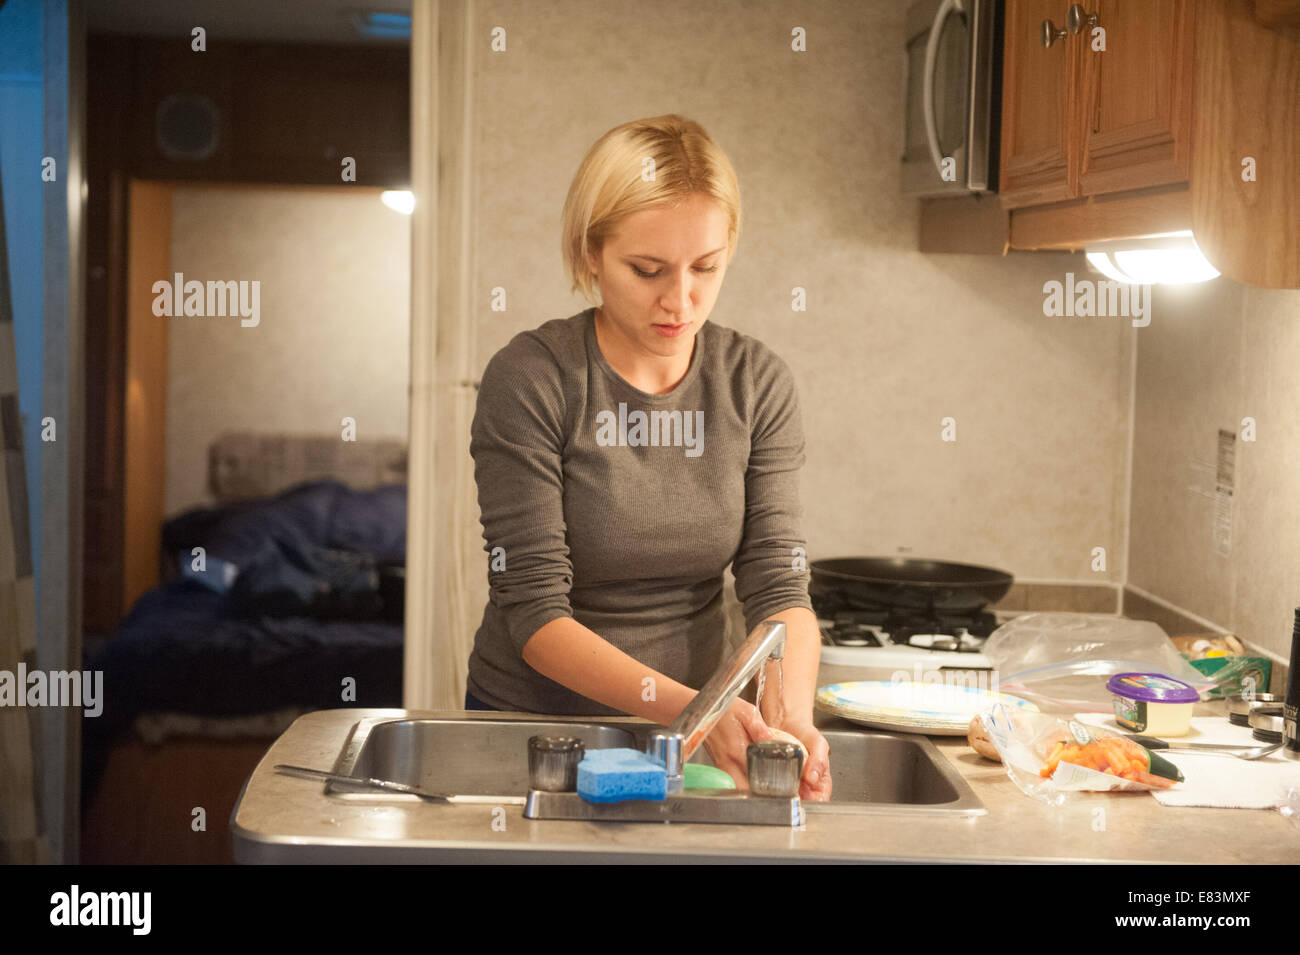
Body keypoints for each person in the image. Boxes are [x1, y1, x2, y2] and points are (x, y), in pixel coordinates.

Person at [464, 114, 831, 801]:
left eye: (706, 267)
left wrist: (791, 716)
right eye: (648, 269)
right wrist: (696, 709)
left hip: (693, 739)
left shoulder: (756, 383)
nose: (680, 299)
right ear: (592, 251)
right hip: (544, 733)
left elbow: (780, 587)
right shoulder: (533, 379)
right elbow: (535, 613)